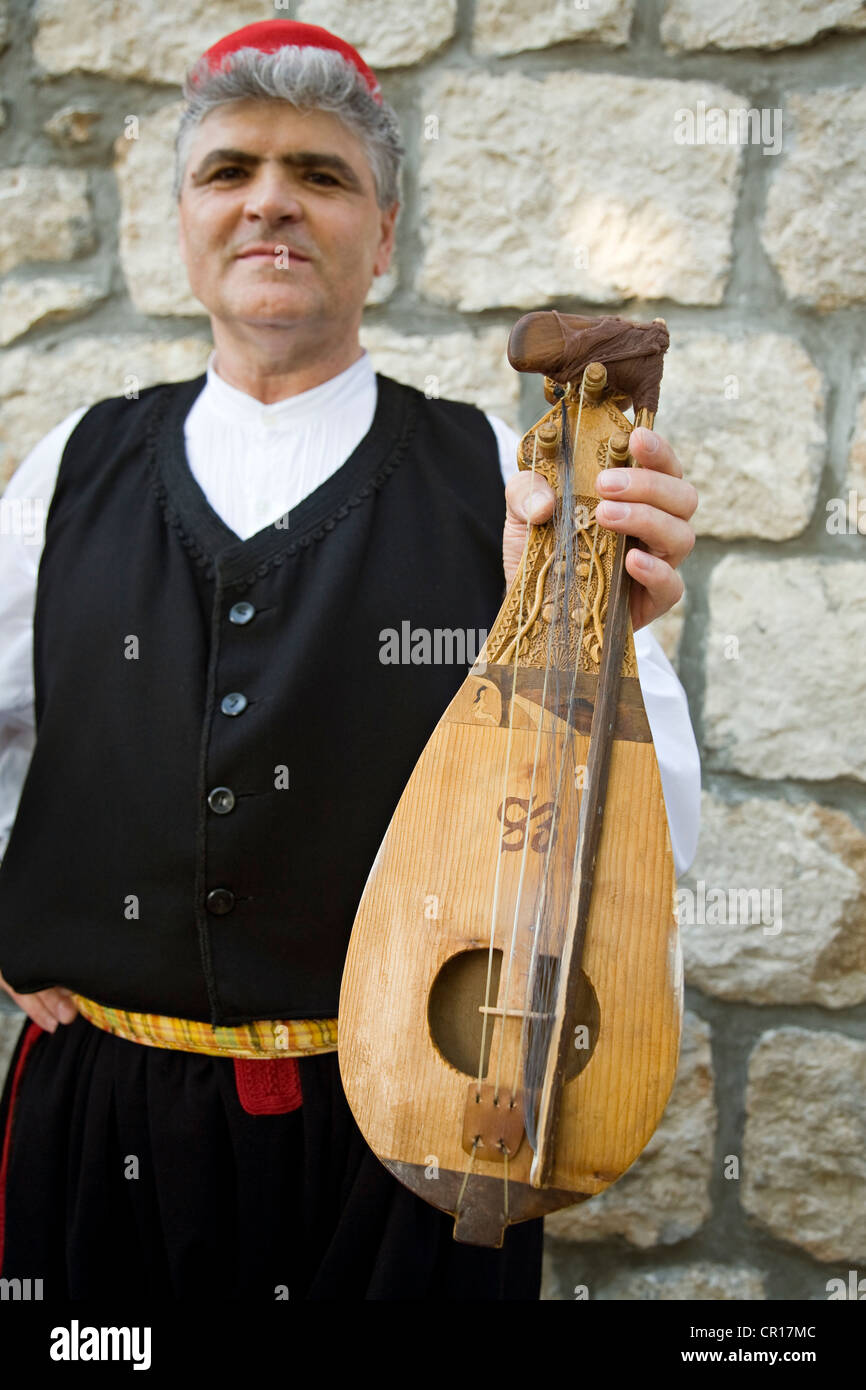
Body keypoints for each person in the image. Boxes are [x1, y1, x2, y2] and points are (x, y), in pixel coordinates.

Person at [0, 20, 700, 1300]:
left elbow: (650, 834)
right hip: (106, 1116)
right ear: (184, 223)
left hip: (415, 1124)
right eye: (230, 171)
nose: (271, 199)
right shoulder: (66, 473)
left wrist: (606, 645)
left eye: (321, 174)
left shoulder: (510, 479)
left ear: (382, 237)